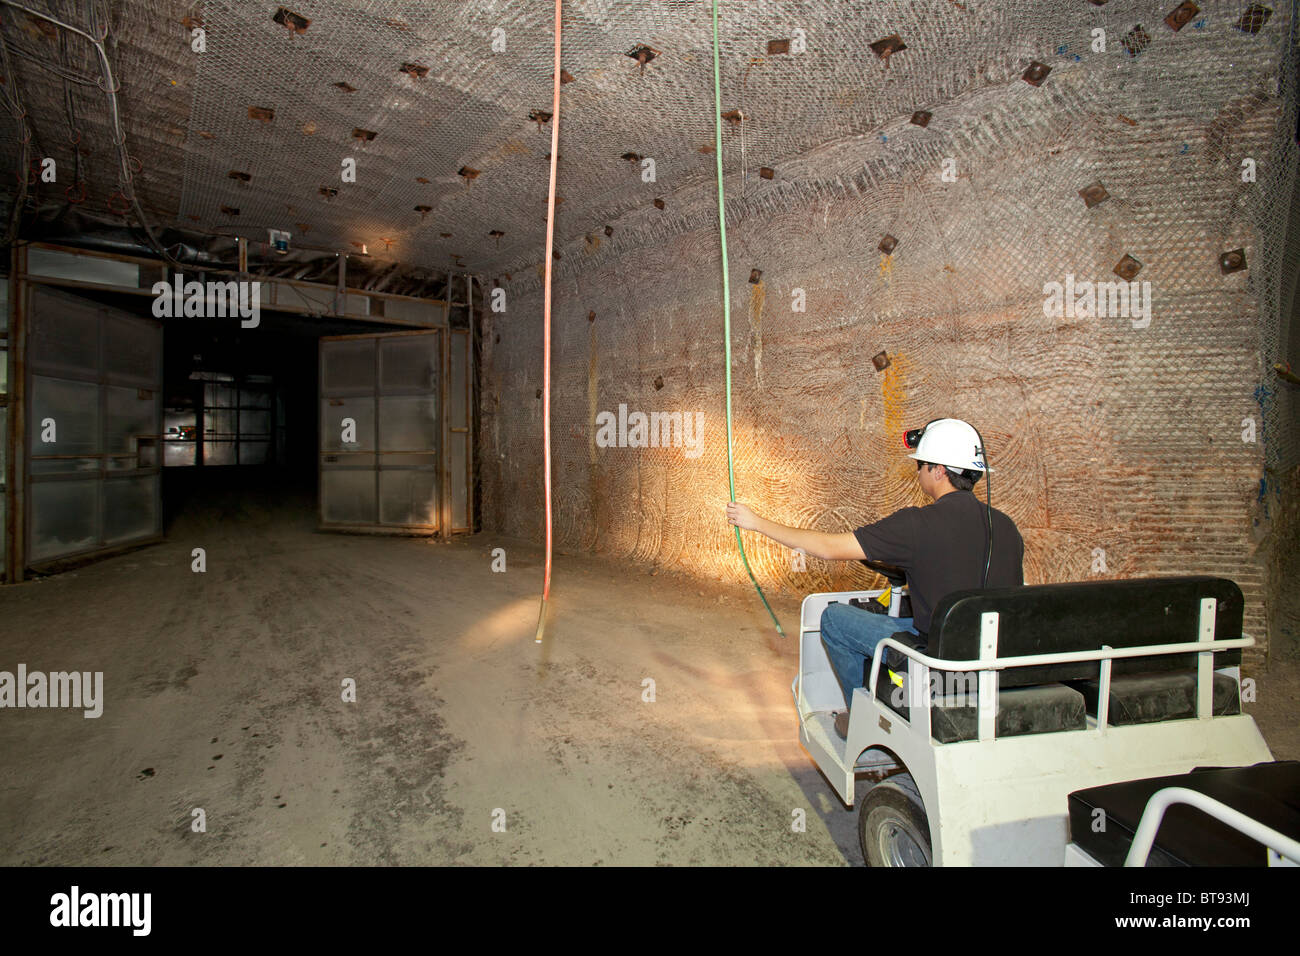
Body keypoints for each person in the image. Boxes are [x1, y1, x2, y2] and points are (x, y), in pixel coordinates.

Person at [725, 418, 1024, 738]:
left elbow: (828, 548)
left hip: (934, 658)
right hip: (991, 658)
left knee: (834, 619)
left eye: (921, 466)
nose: (918, 473)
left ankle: (861, 717)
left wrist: (756, 522)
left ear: (938, 470)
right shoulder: (1006, 527)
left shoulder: (915, 524)